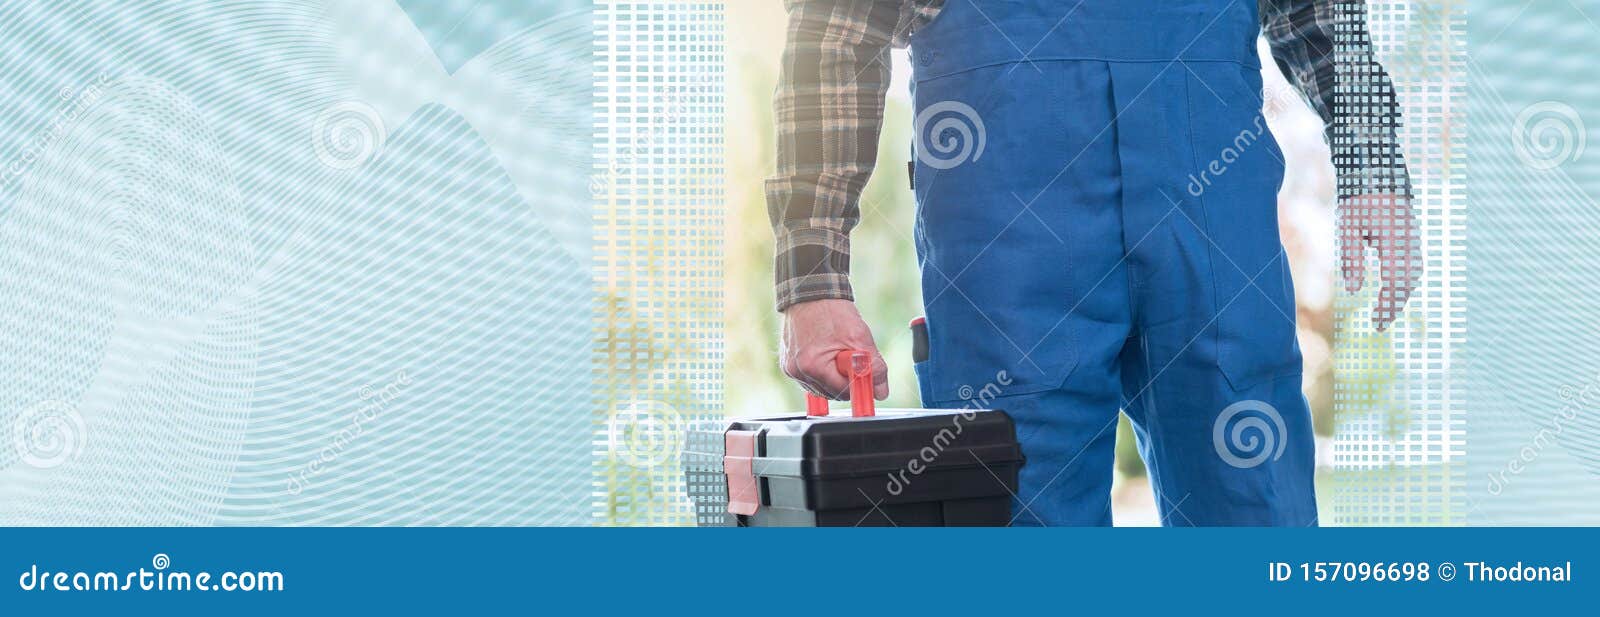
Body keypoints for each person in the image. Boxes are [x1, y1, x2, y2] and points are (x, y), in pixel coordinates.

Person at [767, 0, 1418, 526]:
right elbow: (837, 27)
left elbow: (1315, 13)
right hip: (1009, 245)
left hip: (1214, 222)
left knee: (1257, 512)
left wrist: (1375, 162)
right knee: (1024, 540)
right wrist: (812, 273)